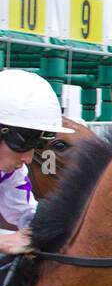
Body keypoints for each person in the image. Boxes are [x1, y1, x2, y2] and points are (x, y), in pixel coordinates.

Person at [0, 69, 74, 255]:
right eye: (23, 143)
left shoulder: (11, 171)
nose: (28, 158)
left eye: (38, 144)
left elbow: (24, 212)